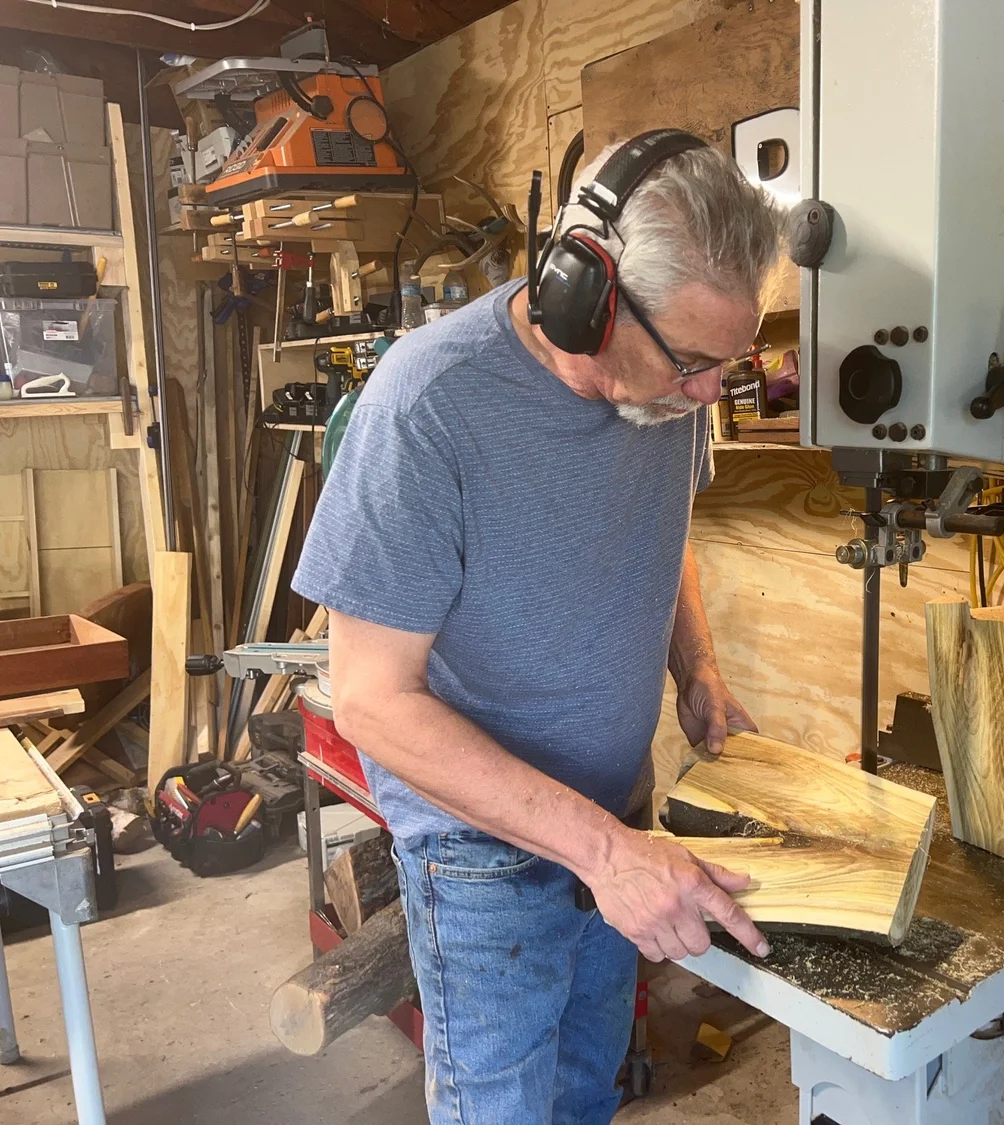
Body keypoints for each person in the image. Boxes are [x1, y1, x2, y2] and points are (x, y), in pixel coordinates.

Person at [290, 136, 783, 1125]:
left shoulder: (676, 389)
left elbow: (663, 526)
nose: (704, 396)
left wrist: (699, 663)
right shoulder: (428, 407)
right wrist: (604, 856)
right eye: (691, 363)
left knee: (584, 1098)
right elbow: (373, 702)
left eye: (725, 368)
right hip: (484, 865)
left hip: (618, 826)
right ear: (583, 293)